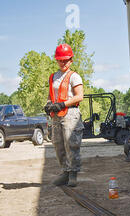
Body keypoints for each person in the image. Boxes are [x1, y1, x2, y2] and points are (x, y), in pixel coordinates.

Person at [44, 43, 84, 187]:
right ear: (56, 60)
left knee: (71, 143)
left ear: (71, 60)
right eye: (60, 60)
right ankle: (65, 171)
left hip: (70, 113)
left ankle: (73, 173)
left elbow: (79, 96)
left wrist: (63, 104)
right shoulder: (53, 77)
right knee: (58, 144)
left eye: (65, 60)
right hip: (56, 115)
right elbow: (51, 95)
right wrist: (49, 104)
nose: (63, 62)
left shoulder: (75, 77)